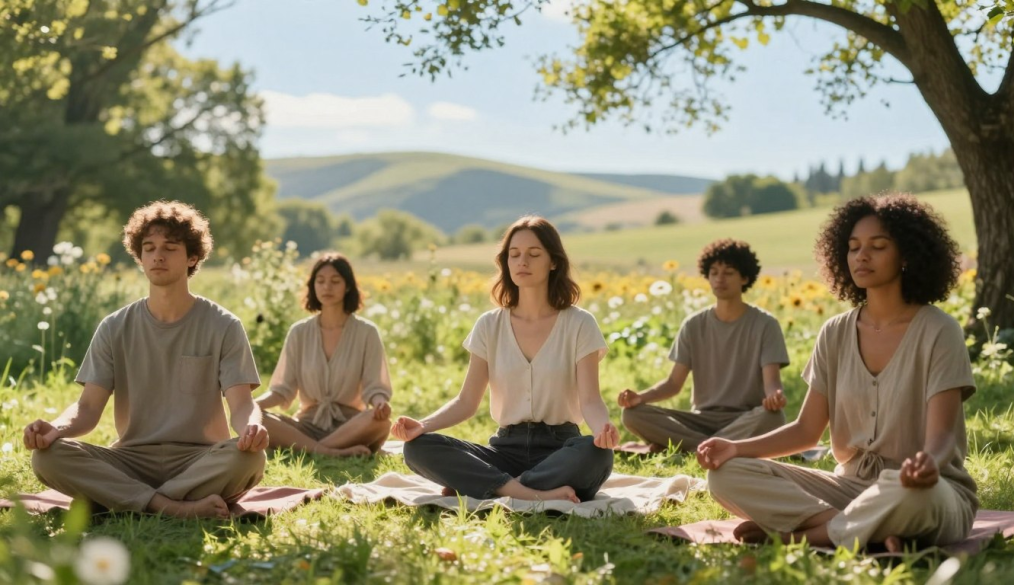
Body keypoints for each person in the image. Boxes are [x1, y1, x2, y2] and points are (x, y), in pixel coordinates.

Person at [698, 194, 977, 552]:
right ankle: (871, 529)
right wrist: (736, 448)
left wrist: (928, 464)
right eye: (853, 246)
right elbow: (806, 431)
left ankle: (802, 536)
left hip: (922, 489)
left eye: (877, 246)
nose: (862, 256)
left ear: (907, 254)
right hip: (847, 489)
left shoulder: (940, 331)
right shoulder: (834, 332)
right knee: (725, 475)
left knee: (911, 498)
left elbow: (941, 438)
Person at [23, 201, 267, 519]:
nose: (157, 256)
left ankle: (120, 499)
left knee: (249, 460)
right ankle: (172, 507)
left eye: (170, 247)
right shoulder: (114, 326)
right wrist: (54, 428)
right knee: (47, 457)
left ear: (193, 257)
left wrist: (252, 428)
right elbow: (87, 409)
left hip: (200, 460)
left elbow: (242, 404)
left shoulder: (224, 325)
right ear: (140, 257)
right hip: (130, 459)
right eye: (148, 248)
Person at [391, 215, 617, 502]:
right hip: (504, 451)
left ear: (554, 262)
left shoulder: (580, 324)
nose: (522, 261)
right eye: (514, 254)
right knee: (417, 448)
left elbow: (591, 401)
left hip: (561, 450)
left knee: (595, 454)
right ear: (506, 263)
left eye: (534, 254)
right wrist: (422, 426)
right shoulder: (489, 325)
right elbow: (466, 402)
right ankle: (529, 492)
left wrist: (602, 432)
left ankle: (494, 487)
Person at [618, 239, 789, 452]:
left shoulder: (766, 324)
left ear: (744, 277)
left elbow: (771, 382)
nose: (719, 279)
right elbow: (673, 384)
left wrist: (775, 396)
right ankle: (713, 447)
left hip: (745, 419)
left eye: (728, 273)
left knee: (773, 417)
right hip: (700, 420)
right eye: (714, 272)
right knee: (632, 414)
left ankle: (693, 446)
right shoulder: (693, 325)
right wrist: (640, 397)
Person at [257, 253, 392, 456]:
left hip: (351, 426)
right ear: (313, 287)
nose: (326, 287)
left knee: (380, 422)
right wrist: (251, 406)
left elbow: (375, 387)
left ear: (347, 286)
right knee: (257, 418)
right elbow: (282, 390)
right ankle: (330, 451)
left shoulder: (367, 332)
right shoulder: (299, 332)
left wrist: (380, 403)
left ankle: (313, 450)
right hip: (306, 426)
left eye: (335, 281)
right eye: (320, 281)